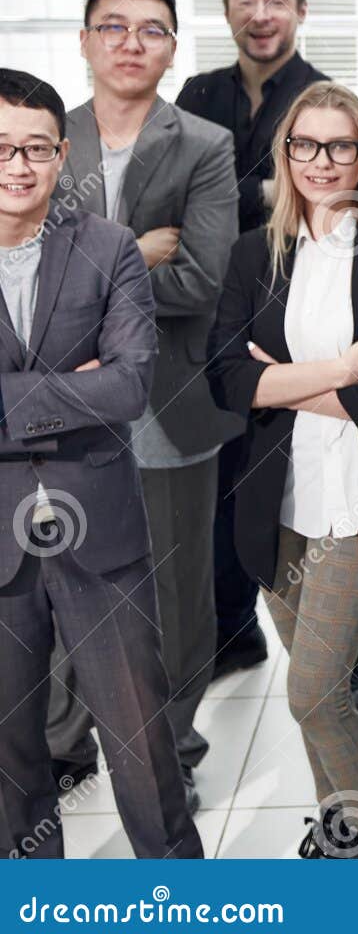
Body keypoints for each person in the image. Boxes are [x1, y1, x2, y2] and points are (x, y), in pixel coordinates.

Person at [47, 0, 242, 813]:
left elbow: (200, 279)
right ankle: (63, 744)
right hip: (60, 399)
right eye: (113, 27)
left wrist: (84, 276)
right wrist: (133, 248)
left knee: (173, 591)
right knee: (57, 576)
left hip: (169, 402)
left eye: (151, 30)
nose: (131, 43)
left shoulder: (204, 143)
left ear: (172, 49)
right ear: (85, 41)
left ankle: (174, 746)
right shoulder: (42, 137)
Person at [0, 68, 201, 859]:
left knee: (143, 742)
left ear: (62, 155)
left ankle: (183, 900)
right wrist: (68, 389)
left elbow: (126, 387)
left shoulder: (108, 246)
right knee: (10, 749)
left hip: (101, 534)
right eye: (2, 147)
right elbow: (95, 389)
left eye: (36, 148)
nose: (19, 166)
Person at [206, 82, 358, 858]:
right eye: (305, 145)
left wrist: (282, 381)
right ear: (285, 154)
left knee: (316, 690)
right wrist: (339, 370)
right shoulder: (254, 253)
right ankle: (342, 831)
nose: (321, 161)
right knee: (313, 694)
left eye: (341, 145)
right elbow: (228, 380)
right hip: (278, 500)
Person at [177, 0, 330, 685]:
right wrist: (260, 193)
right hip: (206, 309)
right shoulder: (199, 93)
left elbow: (324, 197)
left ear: (300, 11)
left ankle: (335, 650)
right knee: (223, 482)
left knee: (302, 476)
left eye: (276, 2)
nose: (260, 16)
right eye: (246, 2)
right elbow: (178, 195)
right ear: (227, 11)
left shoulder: (322, 96)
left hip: (295, 306)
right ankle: (233, 636)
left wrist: (224, 198)